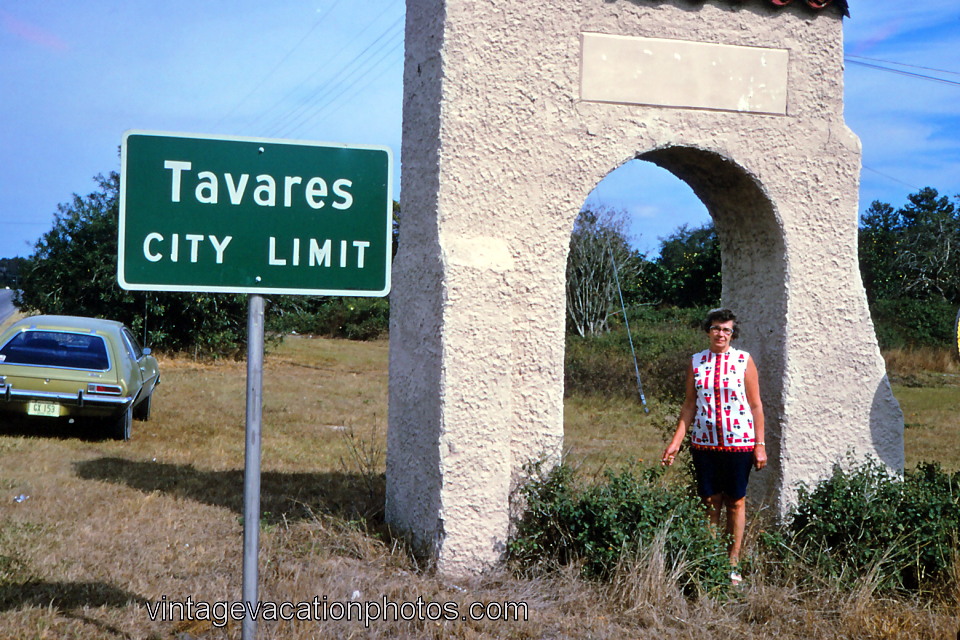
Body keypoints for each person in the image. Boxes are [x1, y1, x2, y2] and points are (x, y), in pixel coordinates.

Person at [661, 308, 766, 584]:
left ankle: (733, 563)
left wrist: (760, 444)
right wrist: (676, 442)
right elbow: (689, 405)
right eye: (716, 328)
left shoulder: (743, 360)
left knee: (736, 501)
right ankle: (708, 559)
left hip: (739, 444)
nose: (721, 334)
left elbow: (756, 405)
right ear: (708, 331)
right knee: (710, 501)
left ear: (732, 334)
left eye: (726, 330)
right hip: (704, 444)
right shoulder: (696, 362)